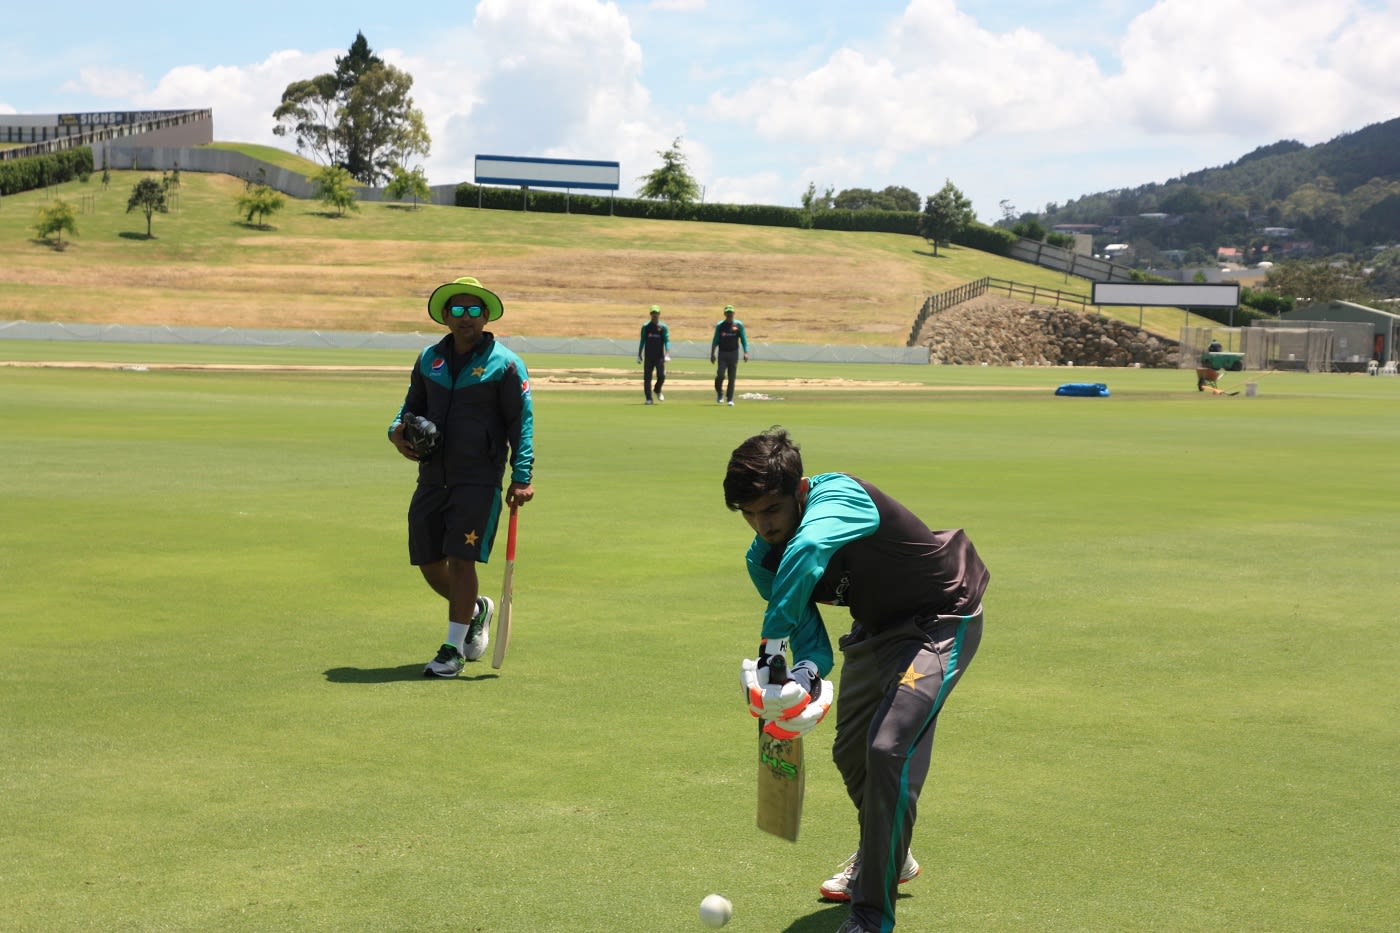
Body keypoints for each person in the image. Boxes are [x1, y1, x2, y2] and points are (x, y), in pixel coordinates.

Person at [725, 428, 989, 933]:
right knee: (851, 753)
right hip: (876, 630)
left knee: (887, 748)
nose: (764, 525)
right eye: (750, 514)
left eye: (772, 509)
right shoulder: (763, 561)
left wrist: (770, 647)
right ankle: (891, 853)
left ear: (800, 490)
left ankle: (870, 915)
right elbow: (813, 645)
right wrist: (800, 676)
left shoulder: (839, 496)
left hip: (941, 618)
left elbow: (810, 547)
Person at [388, 276, 535, 678]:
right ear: (445, 316)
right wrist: (395, 431)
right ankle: (475, 610)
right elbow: (410, 408)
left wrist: (522, 476)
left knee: (462, 560)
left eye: (473, 310)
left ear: (485, 316)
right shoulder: (428, 359)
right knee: (428, 560)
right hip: (432, 476)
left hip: (479, 478)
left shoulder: (505, 363)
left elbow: (521, 422)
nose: (465, 317)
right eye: (457, 309)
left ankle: (452, 650)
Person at [710, 304, 749, 406]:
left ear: (734, 313)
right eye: (727, 313)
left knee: (732, 377)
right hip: (722, 353)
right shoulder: (720, 325)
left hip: (733, 353)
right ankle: (719, 393)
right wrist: (712, 353)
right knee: (720, 374)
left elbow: (744, 339)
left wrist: (746, 352)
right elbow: (715, 340)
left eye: (731, 313)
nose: (729, 315)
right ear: (724, 314)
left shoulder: (738, 325)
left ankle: (730, 398)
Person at [637, 304, 670, 404]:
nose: (654, 315)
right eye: (653, 313)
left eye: (656, 313)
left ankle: (657, 390)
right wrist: (639, 354)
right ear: (650, 314)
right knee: (647, 378)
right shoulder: (646, 327)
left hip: (659, 357)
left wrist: (667, 353)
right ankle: (648, 398)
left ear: (659, 314)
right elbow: (642, 340)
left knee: (661, 376)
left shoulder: (663, 327)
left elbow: (667, 341)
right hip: (648, 356)